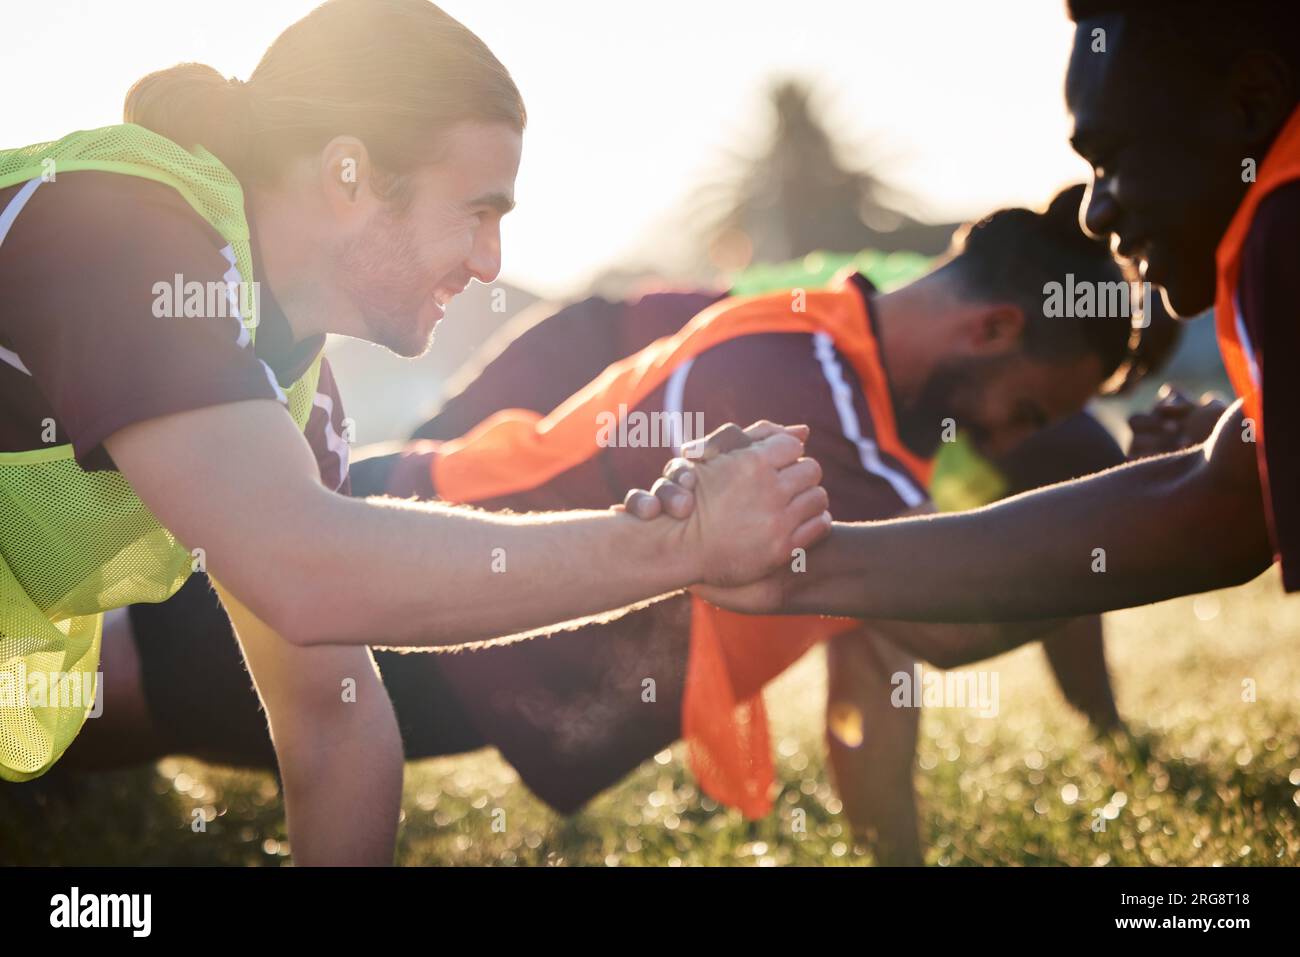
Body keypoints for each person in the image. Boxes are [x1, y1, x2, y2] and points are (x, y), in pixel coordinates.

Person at [66, 188, 1144, 863]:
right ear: (994, 327)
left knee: (115, 708)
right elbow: (939, 627)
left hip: (472, 615)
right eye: (1034, 407)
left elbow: (871, 684)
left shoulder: (858, 402)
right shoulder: (808, 401)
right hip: (421, 560)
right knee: (102, 697)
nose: (1016, 437)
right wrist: (1160, 522)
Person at [0, 0, 829, 865]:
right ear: (347, 176)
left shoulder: (298, 402)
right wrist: (682, 547)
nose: (490, 261)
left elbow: (334, 721)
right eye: (477, 211)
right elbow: (307, 568)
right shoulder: (124, 226)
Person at [666, 0, 1299, 632]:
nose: (1096, 213)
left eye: (1113, 160)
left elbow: (1222, 508)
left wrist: (801, 567)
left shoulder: (1283, 223)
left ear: (1251, 100)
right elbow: (1228, 496)